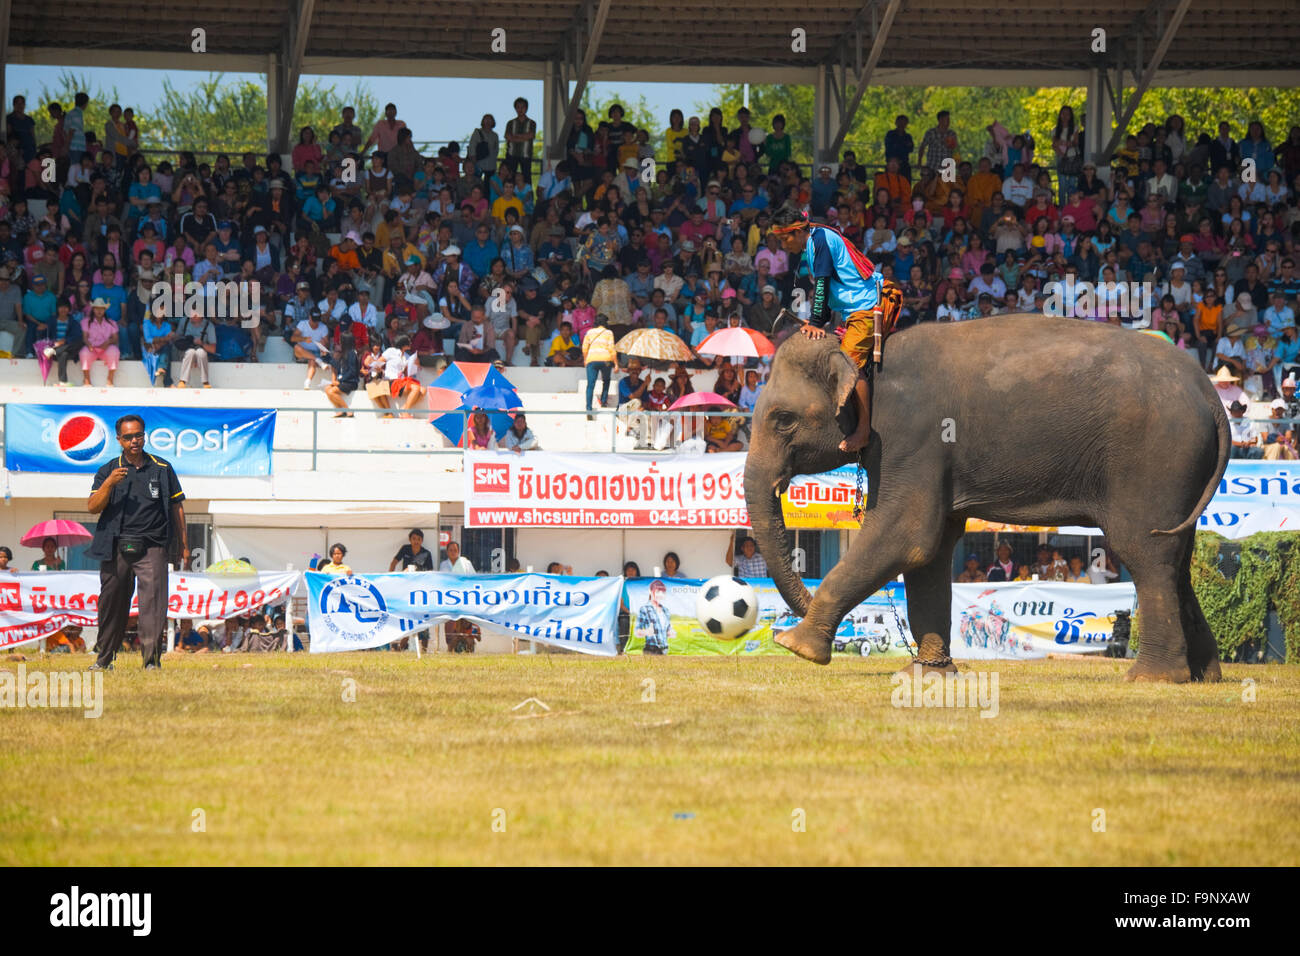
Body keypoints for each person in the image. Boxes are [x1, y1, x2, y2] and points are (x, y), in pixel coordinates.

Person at [771, 204, 902, 452]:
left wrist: (817, 321)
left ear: (799, 231)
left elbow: (822, 285)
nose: (782, 245)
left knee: (848, 364)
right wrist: (820, 319)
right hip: (849, 311)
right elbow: (831, 288)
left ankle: (863, 431)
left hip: (865, 309)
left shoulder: (820, 240)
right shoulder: (813, 241)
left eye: (784, 238)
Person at [86, 414, 188, 670]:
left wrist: (184, 545)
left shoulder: (162, 468)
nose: (135, 441)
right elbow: (92, 507)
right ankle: (105, 659)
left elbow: (177, 507)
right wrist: (109, 484)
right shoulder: (108, 469)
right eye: (129, 437)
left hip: (152, 545)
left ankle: (151, 661)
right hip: (115, 546)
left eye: (139, 435)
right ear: (119, 439)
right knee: (111, 603)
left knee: (154, 604)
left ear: (144, 435)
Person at [582, 312, 616, 415]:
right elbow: (612, 349)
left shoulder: (589, 332)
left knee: (590, 385)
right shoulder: (609, 333)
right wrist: (616, 364)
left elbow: (584, 348)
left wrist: (585, 359)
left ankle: (588, 407)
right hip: (606, 360)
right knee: (606, 380)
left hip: (592, 360)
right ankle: (604, 401)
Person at [635, 579, 672, 655]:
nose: (660, 595)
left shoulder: (666, 611)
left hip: (665, 649)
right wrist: (646, 632)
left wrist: (670, 632)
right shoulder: (645, 609)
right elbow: (637, 631)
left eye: (663, 592)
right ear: (650, 592)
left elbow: (668, 629)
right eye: (658, 592)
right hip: (651, 649)